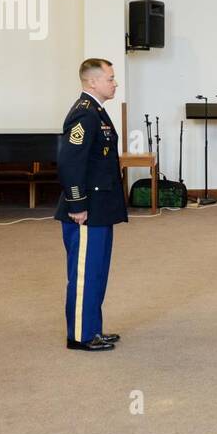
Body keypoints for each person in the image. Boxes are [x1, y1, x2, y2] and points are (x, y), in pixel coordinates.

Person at [56, 59, 128, 352]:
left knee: (97, 270)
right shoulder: (84, 115)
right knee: (85, 272)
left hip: (100, 207)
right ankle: (81, 336)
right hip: (85, 209)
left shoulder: (97, 112)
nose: (114, 83)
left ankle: (92, 328)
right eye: (110, 79)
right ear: (92, 82)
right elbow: (70, 162)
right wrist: (76, 204)